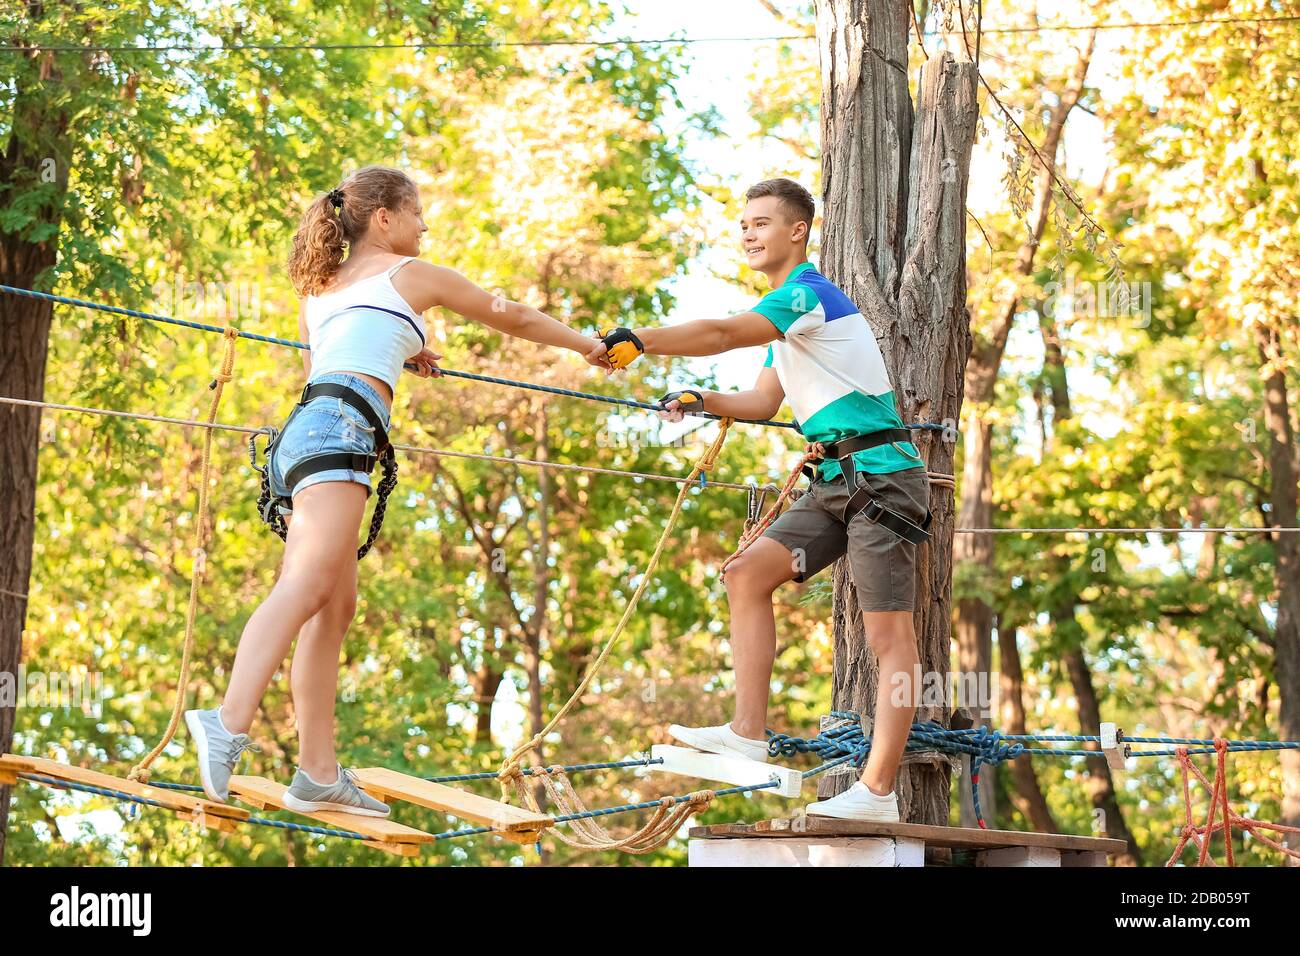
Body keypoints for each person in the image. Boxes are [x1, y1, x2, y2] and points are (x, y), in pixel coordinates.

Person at [186, 165, 608, 815]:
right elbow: (512, 316)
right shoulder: (412, 275)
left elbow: (333, 358)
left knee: (332, 604)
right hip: (342, 431)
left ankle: (318, 773)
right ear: (383, 217)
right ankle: (228, 720)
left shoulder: (324, 288)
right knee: (302, 588)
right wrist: (586, 345)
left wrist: (409, 347)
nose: (425, 225)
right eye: (416, 213)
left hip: (307, 432)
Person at [592, 178, 931, 822]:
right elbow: (761, 402)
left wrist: (641, 338)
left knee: (889, 634)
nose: (748, 234)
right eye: (744, 224)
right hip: (835, 479)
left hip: (883, 477)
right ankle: (747, 734)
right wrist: (702, 400)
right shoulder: (785, 320)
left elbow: (722, 332)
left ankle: (878, 793)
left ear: (797, 232)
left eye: (762, 223)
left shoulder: (807, 294)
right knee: (746, 573)